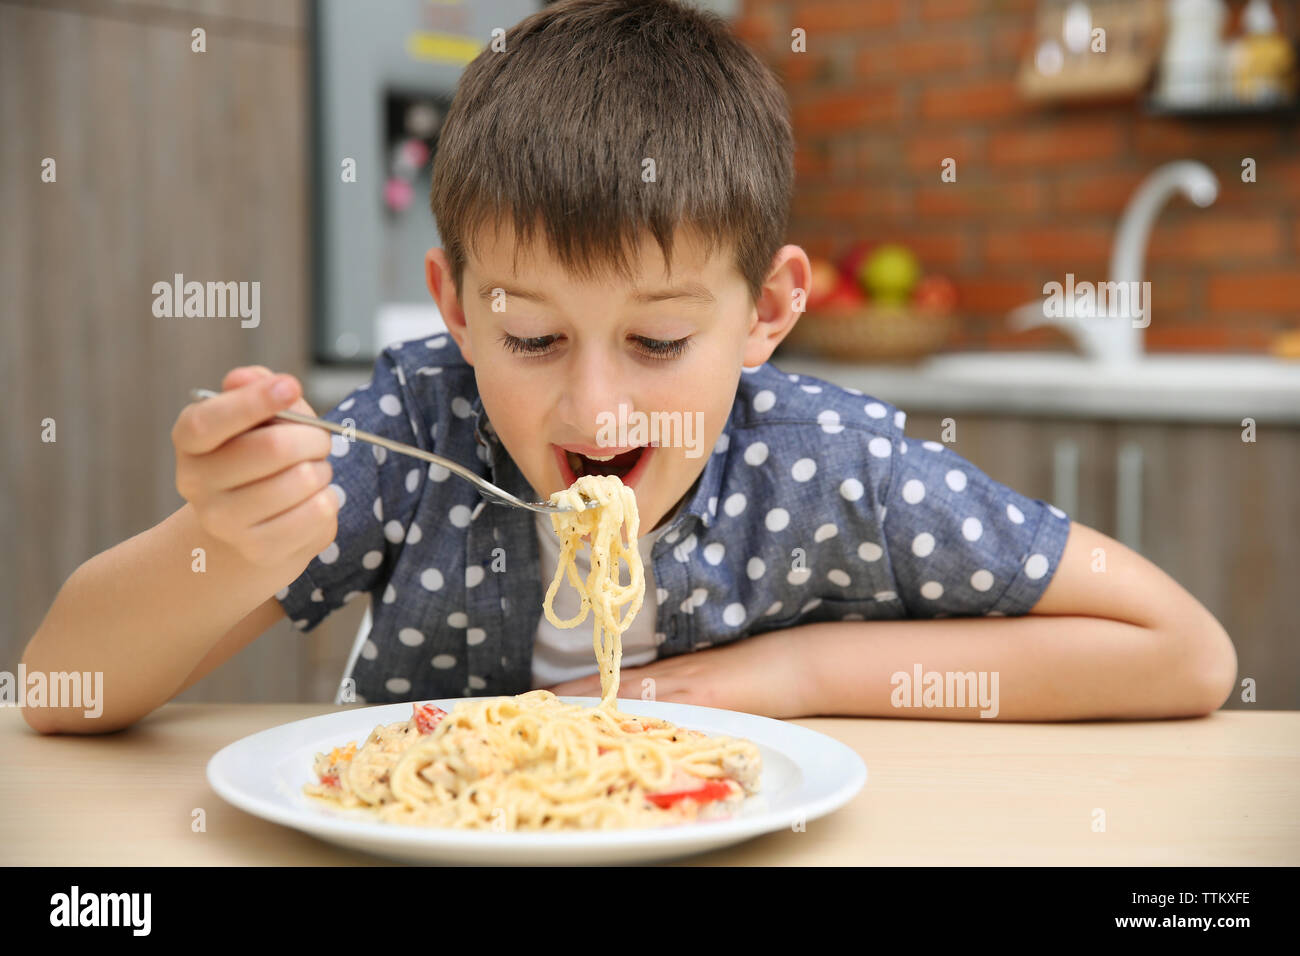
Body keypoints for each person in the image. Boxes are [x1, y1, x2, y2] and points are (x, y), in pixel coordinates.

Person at [21, 0, 1236, 734]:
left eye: (658, 341)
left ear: (767, 311)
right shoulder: (416, 431)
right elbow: (60, 687)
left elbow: (1185, 653)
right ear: (452, 307)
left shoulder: (823, 464)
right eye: (532, 338)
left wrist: (792, 672)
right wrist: (223, 546)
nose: (595, 407)